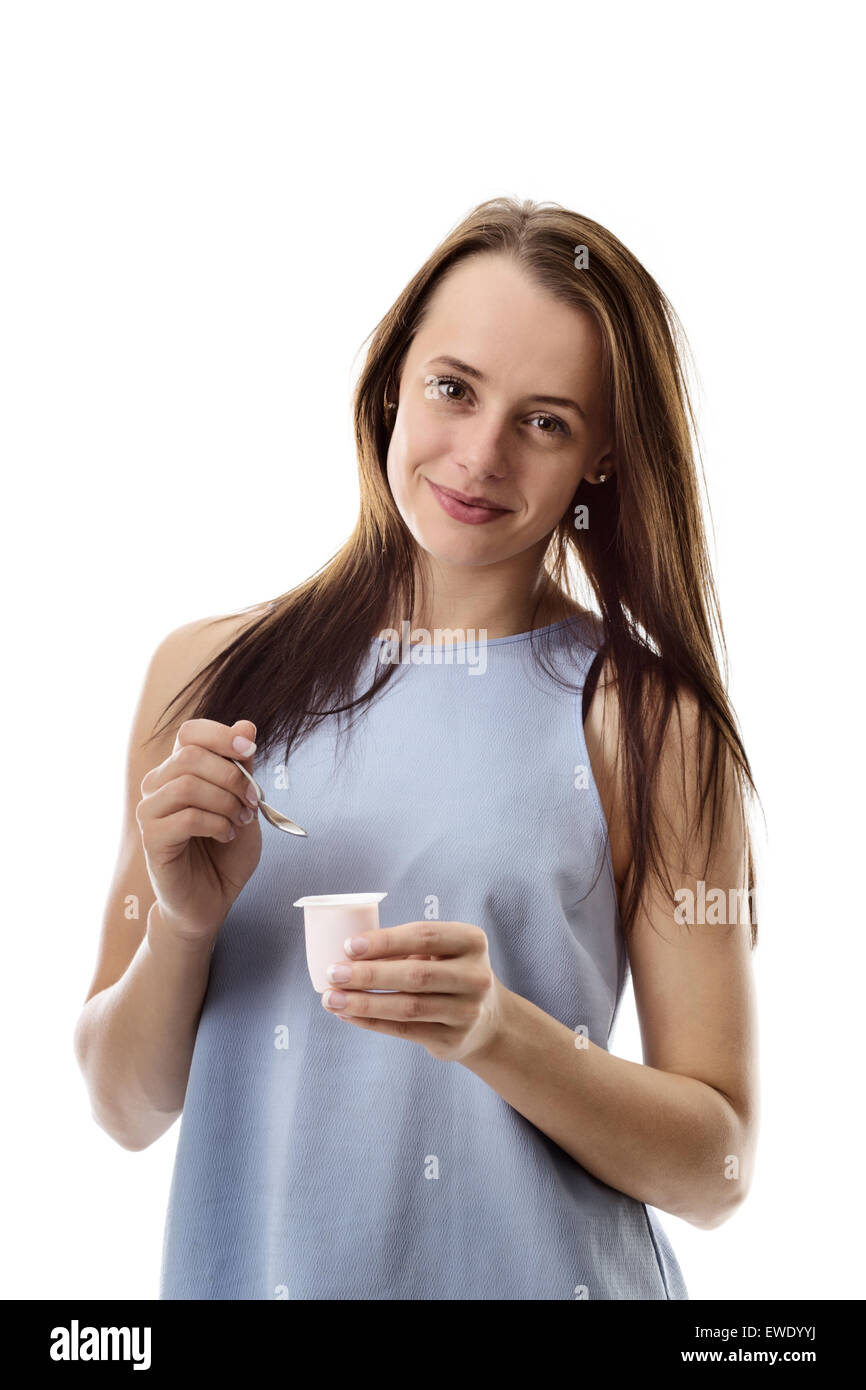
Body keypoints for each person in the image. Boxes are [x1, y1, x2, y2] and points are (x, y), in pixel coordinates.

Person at [73, 196, 760, 1300]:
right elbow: (125, 1106)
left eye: (544, 421)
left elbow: (716, 1167)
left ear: (598, 457)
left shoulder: (642, 719)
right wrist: (183, 927)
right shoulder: (205, 675)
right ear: (394, 378)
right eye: (453, 388)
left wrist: (496, 1031)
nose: (478, 455)